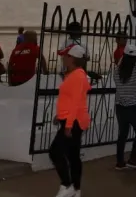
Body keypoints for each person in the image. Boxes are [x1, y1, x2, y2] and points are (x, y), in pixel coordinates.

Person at [50, 44, 90, 197]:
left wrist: (68, 125)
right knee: (73, 155)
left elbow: (75, 103)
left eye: (65, 56)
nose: (63, 59)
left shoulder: (78, 76)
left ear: (72, 58)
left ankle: (67, 185)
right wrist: (59, 115)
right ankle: (76, 189)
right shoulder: (74, 75)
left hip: (73, 121)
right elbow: (69, 100)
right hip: (71, 119)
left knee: (55, 152)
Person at [113, 43, 136, 170]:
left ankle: (120, 162)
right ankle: (133, 159)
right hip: (134, 108)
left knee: (122, 134)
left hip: (120, 107)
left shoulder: (117, 71)